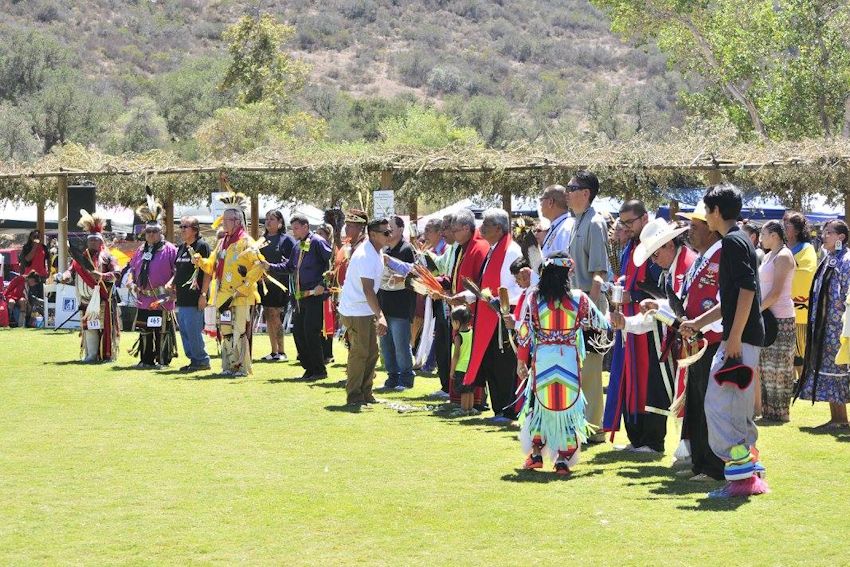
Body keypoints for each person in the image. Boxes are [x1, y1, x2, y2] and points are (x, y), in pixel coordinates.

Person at [682, 184, 768, 499]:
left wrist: (732, 337)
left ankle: (741, 481)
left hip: (739, 339)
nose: (705, 216)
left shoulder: (731, 243)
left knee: (720, 407)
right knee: (736, 410)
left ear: (717, 212)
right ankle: (751, 477)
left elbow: (747, 292)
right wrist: (698, 322)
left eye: (707, 210)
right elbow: (732, 298)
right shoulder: (740, 239)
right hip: (743, 336)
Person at [516, 253, 611, 475]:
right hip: (568, 360)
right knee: (567, 409)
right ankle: (562, 460)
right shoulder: (579, 299)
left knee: (539, 407)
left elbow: (524, 333)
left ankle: (537, 454)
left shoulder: (534, 299)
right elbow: (603, 324)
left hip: (543, 360)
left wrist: (522, 361)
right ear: (567, 274)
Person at [603, 200, 671, 454]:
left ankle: (653, 441)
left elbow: (663, 288)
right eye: (623, 223)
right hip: (630, 326)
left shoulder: (656, 246)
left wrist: (635, 296)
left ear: (645, 218)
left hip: (652, 327)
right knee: (629, 379)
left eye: (629, 222)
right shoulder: (630, 247)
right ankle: (638, 438)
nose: (626, 227)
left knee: (649, 380)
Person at [673, 202, 726, 481]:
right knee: (696, 405)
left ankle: (713, 466)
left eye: (694, 227)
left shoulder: (720, 258)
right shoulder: (702, 258)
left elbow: (723, 304)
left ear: (710, 228)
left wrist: (699, 325)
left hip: (711, 341)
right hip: (695, 344)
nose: (689, 233)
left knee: (710, 406)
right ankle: (701, 462)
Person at [455, 208, 523, 422]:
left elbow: (520, 289)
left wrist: (497, 300)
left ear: (498, 228)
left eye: (486, 225)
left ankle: (509, 409)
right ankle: (499, 409)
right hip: (489, 316)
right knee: (493, 363)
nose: (481, 228)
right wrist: (470, 295)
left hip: (504, 316)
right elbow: (486, 286)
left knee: (505, 365)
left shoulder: (512, 251)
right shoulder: (494, 250)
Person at [195, 196, 266, 377]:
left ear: (236, 221)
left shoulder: (246, 242)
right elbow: (212, 265)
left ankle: (242, 368)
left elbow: (259, 265)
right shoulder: (222, 242)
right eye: (222, 219)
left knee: (239, 331)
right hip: (223, 295)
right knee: (225, 330)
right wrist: (201, 262)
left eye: (225, 220)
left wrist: (245, 286)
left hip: (241, 295)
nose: (222, 223)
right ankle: (228, 366)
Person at [565, 170, 611, 442]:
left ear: (586, 193)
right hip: (576, 302)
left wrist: (589, 311)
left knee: (592, 370)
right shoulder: (577, 222)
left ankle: (594, 428)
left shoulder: (594, 223)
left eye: (572, 188)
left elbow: (599, 273)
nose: (567, 193)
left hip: (589, 303)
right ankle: (580, 421)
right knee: (579, 367)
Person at [794, 219, 850, 428]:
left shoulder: (846, 260)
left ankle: (840, 419)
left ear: (840, 237)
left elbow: (846, 292)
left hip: (838, 326)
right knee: (828, 366)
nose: (823, 236)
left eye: (828, 233)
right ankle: (838, 418)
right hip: (824, 326)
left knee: (837, 366)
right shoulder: (829, 258)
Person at [273, 214, 333, 380]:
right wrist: (268, 266)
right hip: (300, 297)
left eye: (297, 228)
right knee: (298, 331)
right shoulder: (298, 246)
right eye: (293, 228)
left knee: (311, 332)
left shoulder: (318, 242)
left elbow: (331, 262)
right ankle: (309, 368)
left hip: (315, 294)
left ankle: (319, 370)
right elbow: (289, 266)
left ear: (306, 227)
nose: (294, 231)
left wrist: (323, 283)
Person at [337, 218, 390, 406]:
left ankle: (366, 392)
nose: (389, 235)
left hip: (364, 309)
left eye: (389, 231)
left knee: (372, 353)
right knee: (360, 353)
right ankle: (354, 396)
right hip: (355, 309)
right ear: (373, 234)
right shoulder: (366, 255)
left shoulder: (376, 251)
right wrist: (381, 315)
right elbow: (368, 289)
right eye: (385, 232)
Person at [59, 210, 121, 362]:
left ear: (101, 242)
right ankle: (91, 354)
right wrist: (64, 277)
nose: (93, 242)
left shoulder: (107, 257)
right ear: (87, 241)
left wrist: (102, 276)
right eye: (91, 240)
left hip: (103, 299)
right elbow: (70, 271)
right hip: (85, 301)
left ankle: (107, 354)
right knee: (90, 327)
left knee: (105, 327)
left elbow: (118, 273)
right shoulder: (80, 258)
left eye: (96, 240)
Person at [446, 209, 491, 408]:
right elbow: (457, 277)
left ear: (466, 228)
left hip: (472, 315)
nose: (452, 234)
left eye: (455, 230)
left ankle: (475, 401)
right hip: (461, 311)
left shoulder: (479, 247)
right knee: (460, 354)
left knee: (468, 357)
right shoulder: (464, 247)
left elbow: (481, 285)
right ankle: (459, 399)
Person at [128, 198, 178, 369]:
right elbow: (132, 270)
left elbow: (177, 272)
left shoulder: (170, 249)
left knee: (161, 329)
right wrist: (131, 282)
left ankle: (163, 359)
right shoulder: (140, 250)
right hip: (144, 298)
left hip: (162, 297)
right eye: (148, 231)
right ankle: (146, 360)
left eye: (154, 231)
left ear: (161, 231)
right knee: (145, 330)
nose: (151, 234)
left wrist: (172, 286)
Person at [757, 220, 796, 422]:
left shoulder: (783, 256)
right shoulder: (767, 256)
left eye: (763, 234)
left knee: (780, 367)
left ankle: (780, 412)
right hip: (766, 316)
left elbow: (776, 292)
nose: (761, 238)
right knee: (766, 366)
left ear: (774, 235)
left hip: (781, 319)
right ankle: (768, 410)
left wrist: (755, 310)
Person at [377, 215, 416, 391]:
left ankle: (406, 378)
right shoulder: (385, 250)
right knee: (386, 346)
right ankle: (392, 377)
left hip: (401, 306)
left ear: (401, 229)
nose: (388, 231)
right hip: (385, 304)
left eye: (391, 228)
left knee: (401, 345)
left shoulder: (407, 249)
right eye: (386, 229)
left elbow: (415, 275)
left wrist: (402, 277)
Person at [174, 216, 211, 372]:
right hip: (182, 297)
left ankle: (202, 360)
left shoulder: (201, 246)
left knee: (193, 330)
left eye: (185, 227)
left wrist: (203, 294)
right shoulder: (182, 247)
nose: (182, 230)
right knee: (184, 331)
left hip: (195, 297)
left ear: (195, 229)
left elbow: (207, 272)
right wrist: (172, 282)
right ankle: (194, 360)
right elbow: (180, 270)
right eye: (181, 227)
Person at [784, 211, 817, 380]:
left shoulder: (807, 249)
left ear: (796, 230)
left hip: (798, 308)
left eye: (786, 225)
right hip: (781, 306)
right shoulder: (782, 248)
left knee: (800, 348)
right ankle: (793, 379)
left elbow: (807, 275)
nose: (783, 228)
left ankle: (803, 379)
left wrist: (786, 273)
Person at [258, 209, 295, 363]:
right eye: (267, 219)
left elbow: (290, 263)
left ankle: (282, 351)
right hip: (263, 283)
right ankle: (273, 351)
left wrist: (270, 267)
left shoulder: (286, 240)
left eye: (272, 219)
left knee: (275, 315)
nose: (268, 222)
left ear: (280, 223)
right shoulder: (261, 240)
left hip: (280, 284)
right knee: (267, 314)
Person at [316, 222, 337, 363]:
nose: (318, 236)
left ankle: (328, 354)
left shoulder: (332, 251)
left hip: (328, 292)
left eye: (321, 233)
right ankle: (319, 353)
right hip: (317, 291)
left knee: (326, 323)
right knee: (318, 324)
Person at [450, 306, 474, 414]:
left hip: (461, 367)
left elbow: (456, 355)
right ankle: (470, 408)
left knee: (464, 390)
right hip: (471, 366)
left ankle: (464, 409)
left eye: (452, 321)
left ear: (457, 322)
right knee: (470, 390)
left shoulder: (458, 337)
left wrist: (452, 370)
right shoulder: (472, 333)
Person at [538, 184, 572, 258]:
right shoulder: (558, 226)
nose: (540, 204)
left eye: (542, 199)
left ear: (550, 202)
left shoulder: (566, 229)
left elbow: (566, 262)